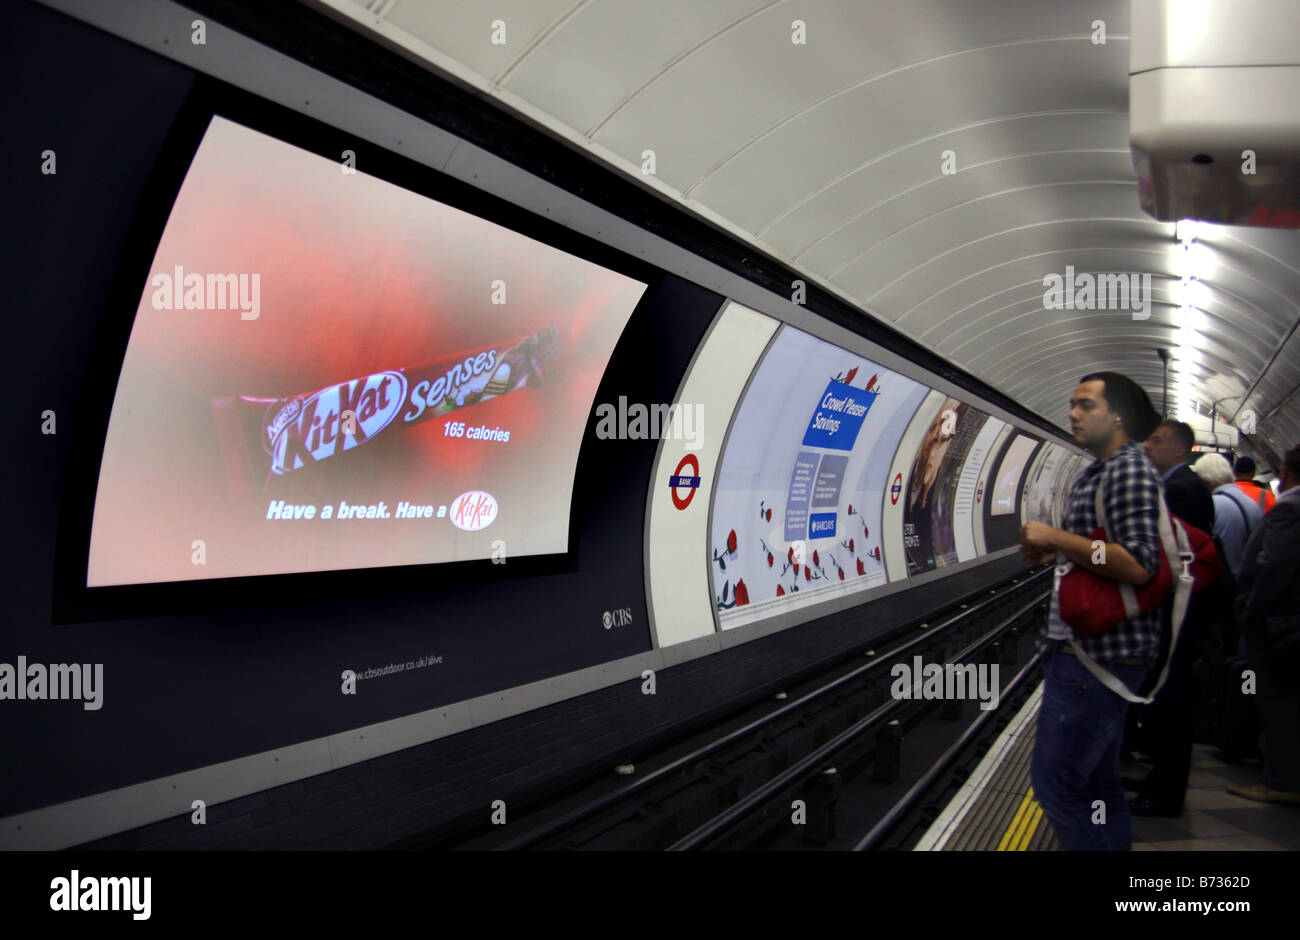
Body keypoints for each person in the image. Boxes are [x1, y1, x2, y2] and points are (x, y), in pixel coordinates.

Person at [1021, 372, 1164, 849]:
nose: (1072, 413)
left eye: (1085, 405)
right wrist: (1062, 552)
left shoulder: (1127, 471)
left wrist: (1057, 537)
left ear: (1118, 415)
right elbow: (1102, 551)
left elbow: (1137, 564)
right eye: (1072, 404)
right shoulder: (1102, 470)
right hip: (1090, 654)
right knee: (1098, 786)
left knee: (1058, 785)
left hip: (1093, 658)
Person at [1125, 422, 1217, 816]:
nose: (1149, 445)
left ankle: (1164, 794)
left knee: (1170, 703)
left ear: (1180, 450)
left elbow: (1164, 557)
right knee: (1167, 701)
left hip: (1175, 615)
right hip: (1180, 612)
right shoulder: (1185, 485)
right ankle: (1157, 783)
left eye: (1157, 441)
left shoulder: (1179, 491)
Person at [1226, 444, 1300, 806]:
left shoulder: (1290, 506)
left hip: (1279, 623)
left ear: (1285, 471)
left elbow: (1275, 567)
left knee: (1276, 701)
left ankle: (1282, 782)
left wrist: (1251, 607)